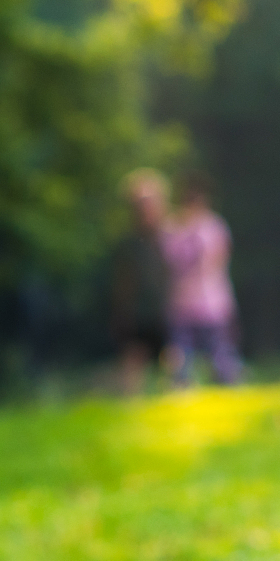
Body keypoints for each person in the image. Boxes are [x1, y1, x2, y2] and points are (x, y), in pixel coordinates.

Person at [153, 174, 241, 386]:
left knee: (221, 357)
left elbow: (217, 262)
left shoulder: (213, 227)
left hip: (213, 302)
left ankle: (227, 387)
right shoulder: (172, 230)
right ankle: (182, 389)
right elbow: (166, 263)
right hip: (182, 304)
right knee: (181, 359)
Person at [116, 169, 173, 394]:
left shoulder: (173, 236)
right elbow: (124, 281)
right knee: (133, 362)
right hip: (139, 313)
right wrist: (121, 312)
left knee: (173, 362)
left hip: (170, 310)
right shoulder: (129, 243)